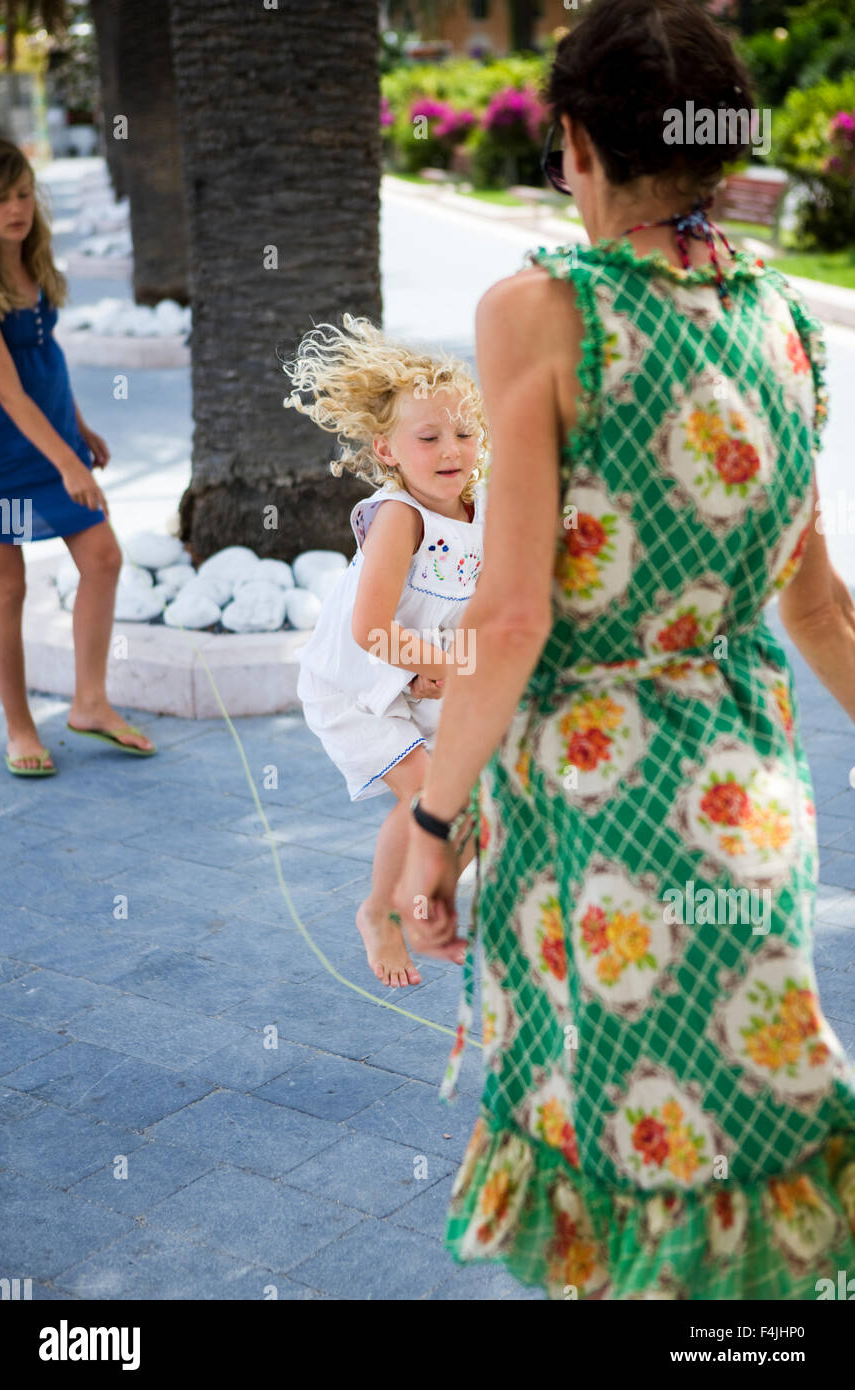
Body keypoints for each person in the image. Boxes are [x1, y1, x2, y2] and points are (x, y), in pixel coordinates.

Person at [395, 0, 855, 1300]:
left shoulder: (538, 313)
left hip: (604, 838)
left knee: (621, 1163)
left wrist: (433, 821)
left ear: (577, 147)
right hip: (749, 818)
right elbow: (819, 611)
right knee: (740, 1159)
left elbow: (511, 618)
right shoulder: (783, 328)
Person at [284, 314, 486, 988]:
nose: (449, 448)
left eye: (463, 431)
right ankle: (381, 914)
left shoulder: (479, 508)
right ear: (389, 450)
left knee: (468, 801)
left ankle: (426, 908)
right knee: (428, 795)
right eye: (427, 437)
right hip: (352, 686)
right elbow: (370, 628)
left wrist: (440, 666)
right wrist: (439, 665)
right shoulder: (400, 516)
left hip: (412, 675)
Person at [0, 137, 154, 773]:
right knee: (5, 587)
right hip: (1, 462)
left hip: (54, 438)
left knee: (104, 557)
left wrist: (78, 428)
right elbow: (5, 390)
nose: (15, 209)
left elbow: (44, 361)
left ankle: (89, 702)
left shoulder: (34, 262)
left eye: (23, 194)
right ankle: (20, 727)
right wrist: (67, 462)